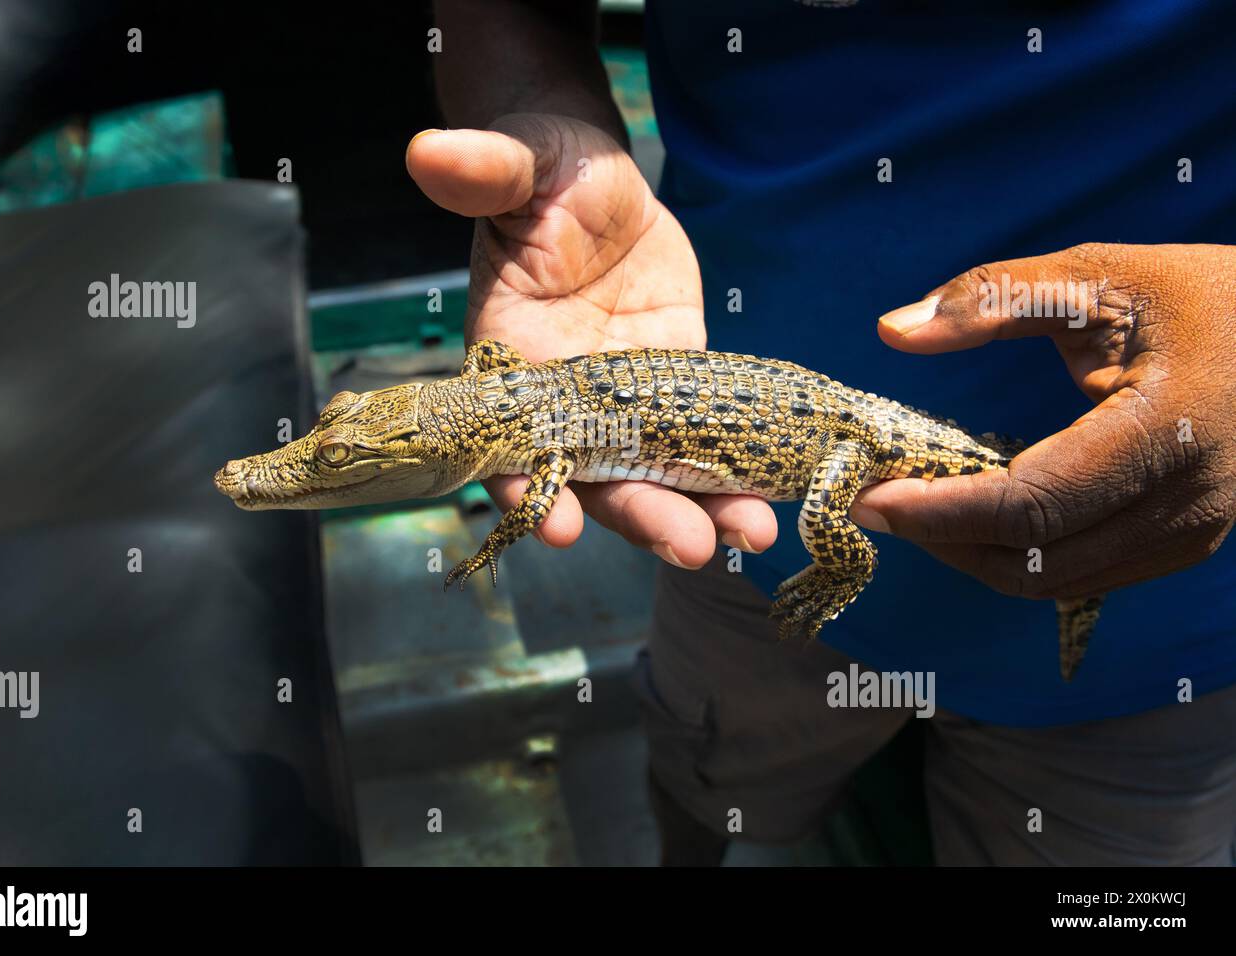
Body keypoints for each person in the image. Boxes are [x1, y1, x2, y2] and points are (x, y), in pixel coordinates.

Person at [405, 0, 1236, 865]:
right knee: (701, 785)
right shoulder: (520, 394)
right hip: (743, 560)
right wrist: (549, 120)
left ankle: (859, 573)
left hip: (1163, 603)